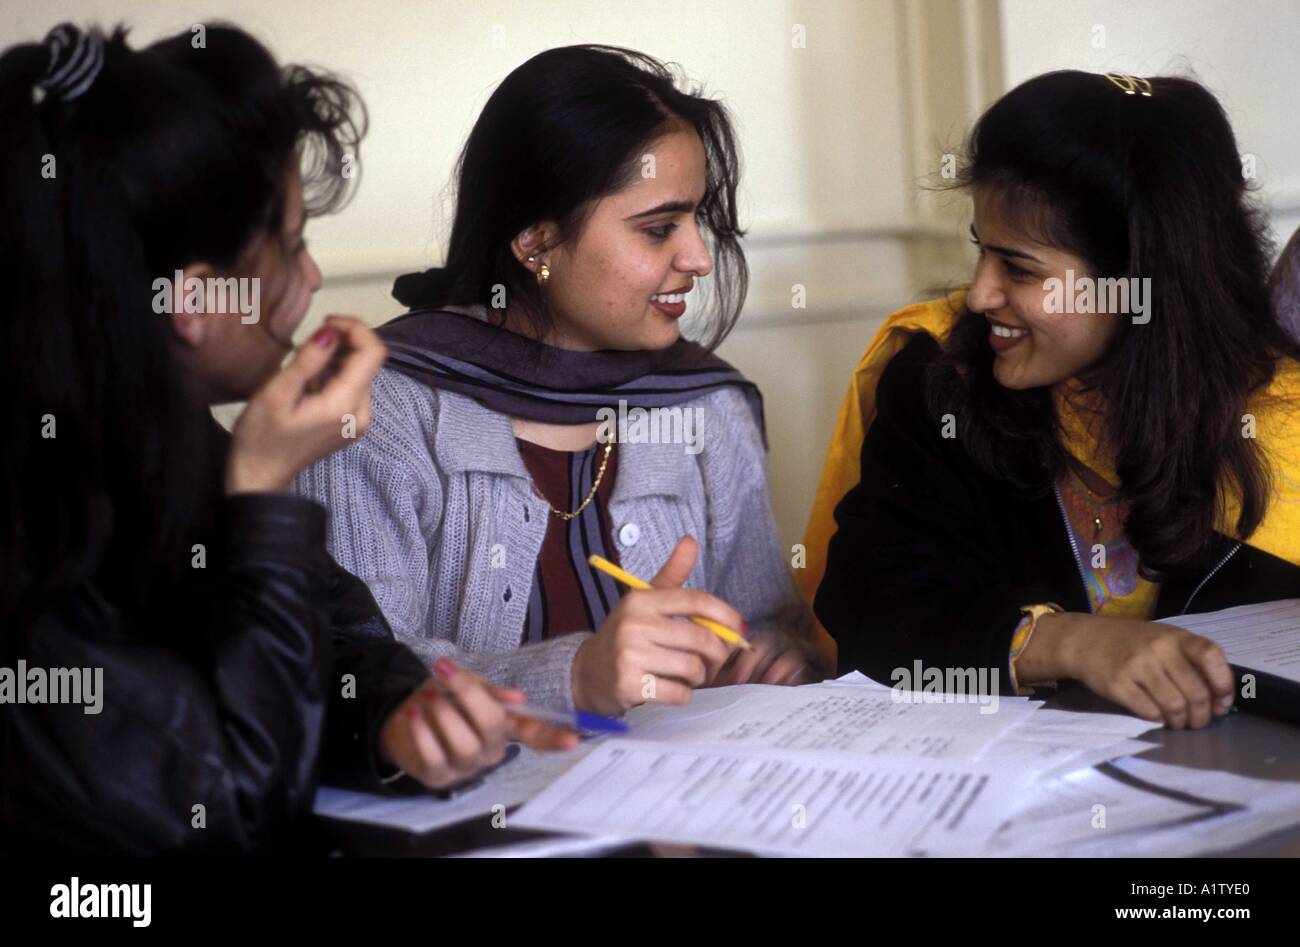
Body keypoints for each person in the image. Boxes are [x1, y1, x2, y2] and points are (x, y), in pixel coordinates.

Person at [1, 22, 572, 855]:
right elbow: (221, 806)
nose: (310, 281)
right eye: (294, 245)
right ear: (195, 301)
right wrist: (265, 497)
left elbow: (343, 650)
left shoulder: (164, 430)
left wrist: (396, 719)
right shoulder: (31, 515)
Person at [297, 45, 830, 716]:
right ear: (536, 244)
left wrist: (770, 653)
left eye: (696, 221)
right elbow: (351, 676)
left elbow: (764, 622)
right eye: (659, 227)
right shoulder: (380, 408)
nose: (697, 258)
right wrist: (574, 676)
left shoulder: (706, 404)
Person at [808, 70, 1300, 730]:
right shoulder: (939, 380)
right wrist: (1063, 642)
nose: (979, 295)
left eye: (1019, 269)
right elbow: (874, 611)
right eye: (983, 252)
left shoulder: (1278, 422)